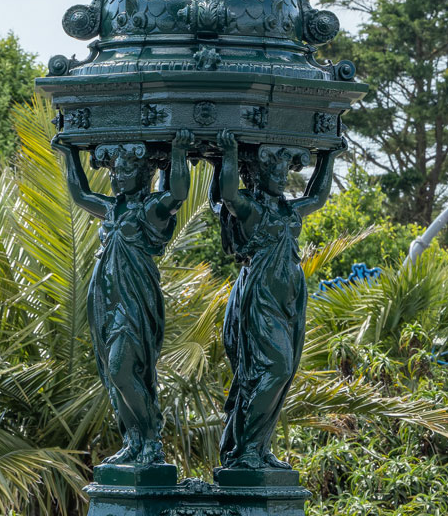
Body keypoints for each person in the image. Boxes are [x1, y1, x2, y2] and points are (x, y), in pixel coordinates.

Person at [56, 129, 193, 465]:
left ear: (144, 173)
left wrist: (178, 149)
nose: (117, 178)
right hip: (105, 300)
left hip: (134, 302)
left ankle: (151, 439)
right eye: (114, 171)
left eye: (126, 170)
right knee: (112, 374)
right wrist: (69, 153)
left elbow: (177, 192)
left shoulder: (150, 210)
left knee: (121, 369)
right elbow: (80, 194)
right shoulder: (112, 209)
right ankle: (134, 441)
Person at [213, 129, 336, 470]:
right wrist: (229, 154)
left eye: (284, 172)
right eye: (273, 171)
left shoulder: (288, 212)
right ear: (257, 174)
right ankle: (246, 450)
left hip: (290, 303)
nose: (281, 177)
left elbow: (317, 198)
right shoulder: (252, 210)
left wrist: (329, 156)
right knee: (274, 369)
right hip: (262, 300)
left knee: (283, 372)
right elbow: (228, 195)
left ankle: (259, 447)